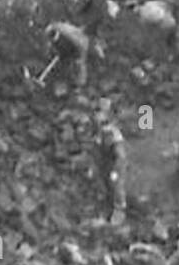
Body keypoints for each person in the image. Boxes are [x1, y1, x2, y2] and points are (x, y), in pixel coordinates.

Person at [93, 98, 128, 228]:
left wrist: (115, 170)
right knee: (106, 188)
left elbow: (120, 155)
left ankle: (119, 214)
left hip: (114, 164)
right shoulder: (100, 132)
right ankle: (107, 214)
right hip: (105, 164)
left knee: (117, 187)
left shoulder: (113, 134)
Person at [44, 21, 91, 89]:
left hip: (77, 47)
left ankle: (79, 82)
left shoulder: (72, 38)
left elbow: (78, 49)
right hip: (70, 46)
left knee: (76, 63)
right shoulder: (57, 28)